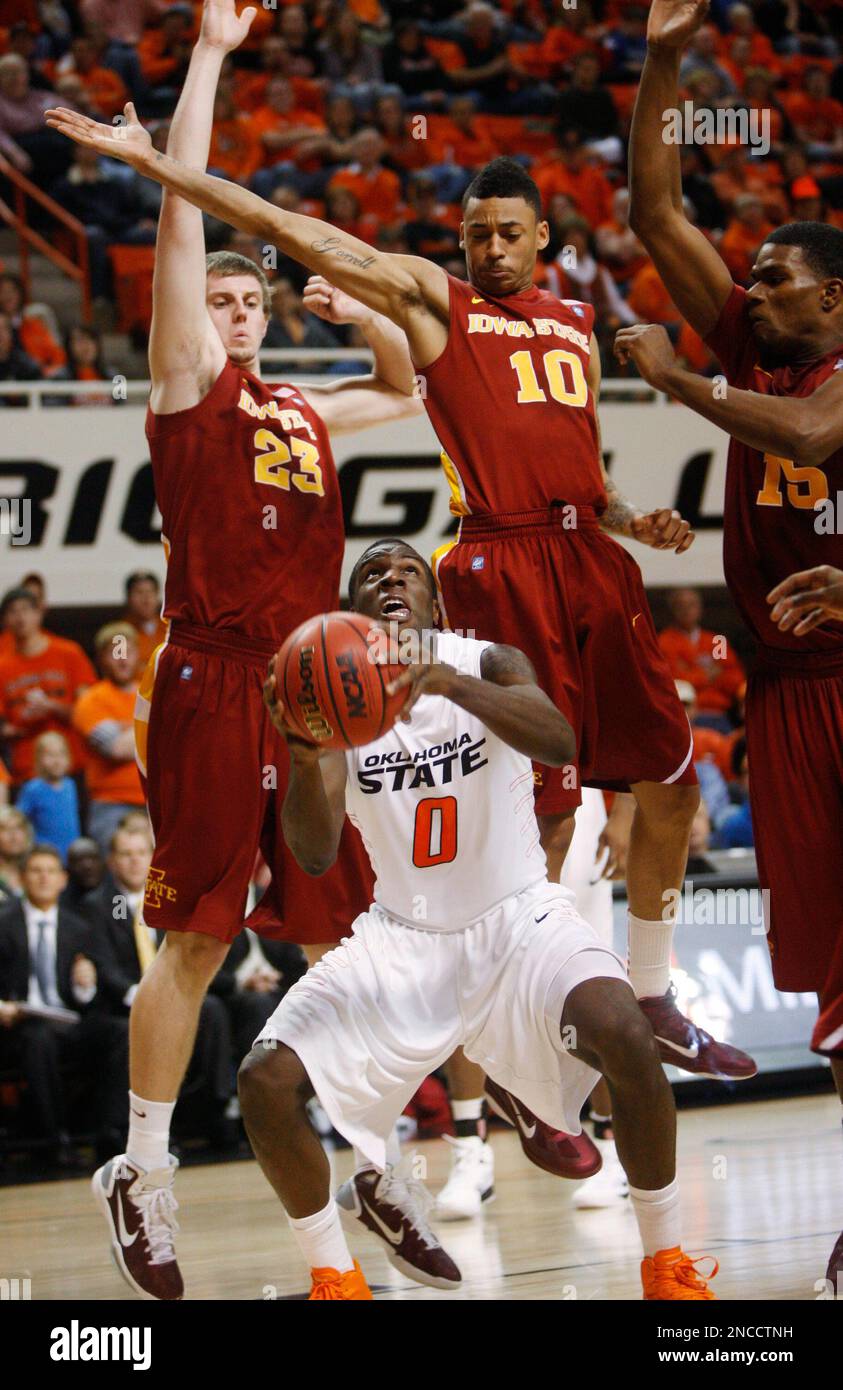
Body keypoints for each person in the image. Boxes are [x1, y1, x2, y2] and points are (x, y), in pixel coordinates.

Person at [45, 84, 759, 1098]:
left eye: (510, 234)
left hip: (476, 605)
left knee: (656, 784)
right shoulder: (310, 342)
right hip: (336, 620)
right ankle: (491, 1078)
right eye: (476, 235)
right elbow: (255, 238)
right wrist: (167, 161)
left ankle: (608, 1015)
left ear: (544, 236)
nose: (492, 251)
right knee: (225, 926)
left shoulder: (518, 341)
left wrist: (626, 515)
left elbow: (487, 429)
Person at [49, 0, 423, 1303]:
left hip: (304, 697)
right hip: (212, 678)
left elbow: (410, 382)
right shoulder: (185, 383)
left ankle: (372, 1149)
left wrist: (356, 297)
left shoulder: (304, 408)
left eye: (249, 298)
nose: (232, 306)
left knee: (350, 933)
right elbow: (184, 225)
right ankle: (139, 1171)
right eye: (217, 295)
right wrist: (209, 57)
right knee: (198, 940)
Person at [240, 539, 718, 1302]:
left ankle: (665, 1267)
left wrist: (447, 683)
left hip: (519, 917)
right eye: (371, 575)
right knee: (263, 1081)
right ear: (349, 613)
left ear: (436, 604)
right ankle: (335, 1279)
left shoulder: (489, 658)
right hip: (403, 939)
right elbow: (313, 850)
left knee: (625, 1031)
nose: (389, 580)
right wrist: (303, 751)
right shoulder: (336, 699)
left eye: (406, 572)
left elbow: (557, 740)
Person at [619, 0, 843, 1294]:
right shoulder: (745, 343)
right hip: (787, 695)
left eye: (772, 274)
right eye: (746, 274)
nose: (748, 284)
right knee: (832, 990)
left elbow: (811, 440)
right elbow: (654, 214)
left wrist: (670, 383)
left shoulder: (796, 380)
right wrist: (659, 64)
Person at [0, 844, 128, 1166]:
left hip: (69, 1020)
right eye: (36, 871)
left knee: (120, 1032)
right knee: (38, 1037)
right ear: (22, 878)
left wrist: (86, 986)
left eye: (50, 872)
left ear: (62, 880)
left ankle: (110, 1132)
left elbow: (94, 999)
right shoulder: (4, 923)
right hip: (19, 1025)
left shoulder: (80, 926)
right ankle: (54, 1138)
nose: (44, 878)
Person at [0, 586, 94, 787]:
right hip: (25, 770)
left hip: (71, 765)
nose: (20, 617)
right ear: (5, 620)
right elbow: (4, 726)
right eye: (13, 612)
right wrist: (20, 723)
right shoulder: (2, 666)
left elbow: (88, 711)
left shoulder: (69, 653)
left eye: (25, 609)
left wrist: (52, 707)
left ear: (39, 613)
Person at [71, 622, 145, 850]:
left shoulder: (151, 694)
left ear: (138, 656)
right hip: (111, 805)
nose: (123, 660)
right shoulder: (91, 701)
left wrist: (130, 729)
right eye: (115, 653)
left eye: (128, 652)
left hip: (158, 804)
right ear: (101, 658)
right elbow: (117, 749)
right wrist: (158, 719)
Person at [658, 588, 745, 732]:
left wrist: (690, 672)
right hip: (683, 717)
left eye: (691, 605)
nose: (687, 610)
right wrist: (706, 675)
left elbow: (735, 680)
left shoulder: (717, 641)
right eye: (681, 606)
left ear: (700, 608)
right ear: (673, 610)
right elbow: (671, 683)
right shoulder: (664, 642)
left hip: (719, 715)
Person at [15, 731, 81, 862]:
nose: (57, 761)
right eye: (50, 755)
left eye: (61, 754)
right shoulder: (33, 789)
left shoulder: (71, 785)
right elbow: (20, 819)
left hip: (71, 854)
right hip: (44, 854)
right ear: (39, 759)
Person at [122, 571, 167, 672]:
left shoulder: (171, 629)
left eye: (151, 592)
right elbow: (120, 670)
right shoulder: (120, 633)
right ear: (129, 598)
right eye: (139, 592)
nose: (146, 598)